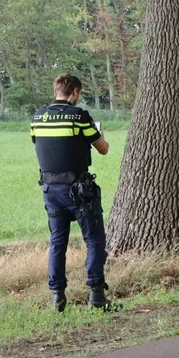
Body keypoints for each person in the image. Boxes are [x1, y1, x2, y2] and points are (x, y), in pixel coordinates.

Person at [30, 74, 112, 311]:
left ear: (56, 90)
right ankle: (96, 295)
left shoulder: (37, 118)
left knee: (57, 243)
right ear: (75, 91)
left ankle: (58, 297)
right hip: (79, 191)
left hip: (50, 190)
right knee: (94, 240)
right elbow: (103, 149)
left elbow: (39, 144)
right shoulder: (78, 116)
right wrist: (99, 132)